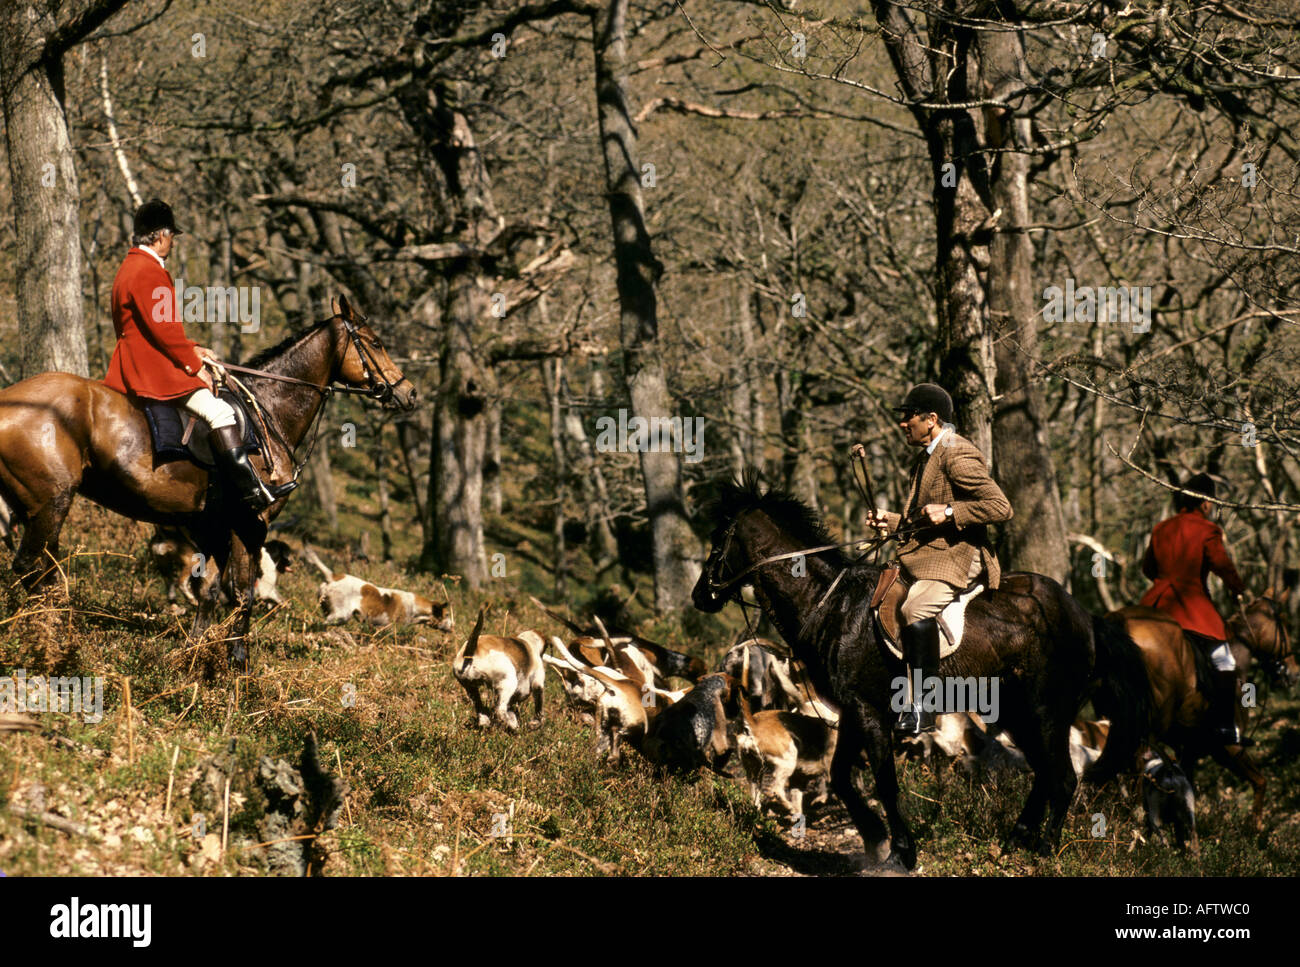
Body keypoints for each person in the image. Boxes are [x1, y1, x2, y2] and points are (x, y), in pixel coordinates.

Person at [103, 199, 295, 513]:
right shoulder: (147, 271)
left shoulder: (129, 266)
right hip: (152, 368)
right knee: (220, 412)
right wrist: (193, 366)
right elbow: (163, 330)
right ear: (161, 236)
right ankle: (251, 490)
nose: (173, 243)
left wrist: (192, 347)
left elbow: (153, 326)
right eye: (172, 236)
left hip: (141, 358)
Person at [866, 383, 1013, 735]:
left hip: (960, 556)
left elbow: (1001, 507)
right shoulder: (928, 456)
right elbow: (924, 520)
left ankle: (923, 705)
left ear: (931, 419)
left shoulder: (955, 453)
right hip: (932, 553)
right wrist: (889, 520)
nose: (903, 424)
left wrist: (950, 511)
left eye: (908, 417)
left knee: (914, 610)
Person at [1138, 472, 1248, 745]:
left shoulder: (1162, 528)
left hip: (1154, 605)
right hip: (1191, 608)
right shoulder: (1208, 530)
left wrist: (1164, 582)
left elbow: (1147, 568)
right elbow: (1222, 565)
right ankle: (1225, 727)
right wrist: (1239, 590)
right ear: (1206, 503)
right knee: (1225, 661)